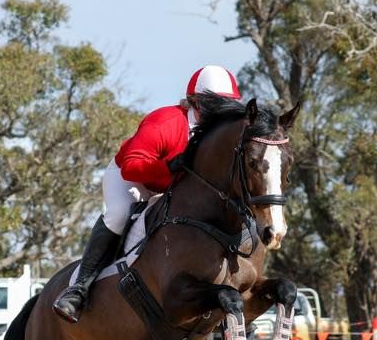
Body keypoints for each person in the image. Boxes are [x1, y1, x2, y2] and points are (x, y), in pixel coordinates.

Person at [53, 65, 242, 323]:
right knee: (119, 215)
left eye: (228, 106)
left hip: (171, 188)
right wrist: (169, 166)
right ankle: (78, 289)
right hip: (130, 178)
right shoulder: (165, 122)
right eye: (217, 105)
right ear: (196, 102)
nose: (222, 113)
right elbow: (132, 166)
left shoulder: (218, 135)